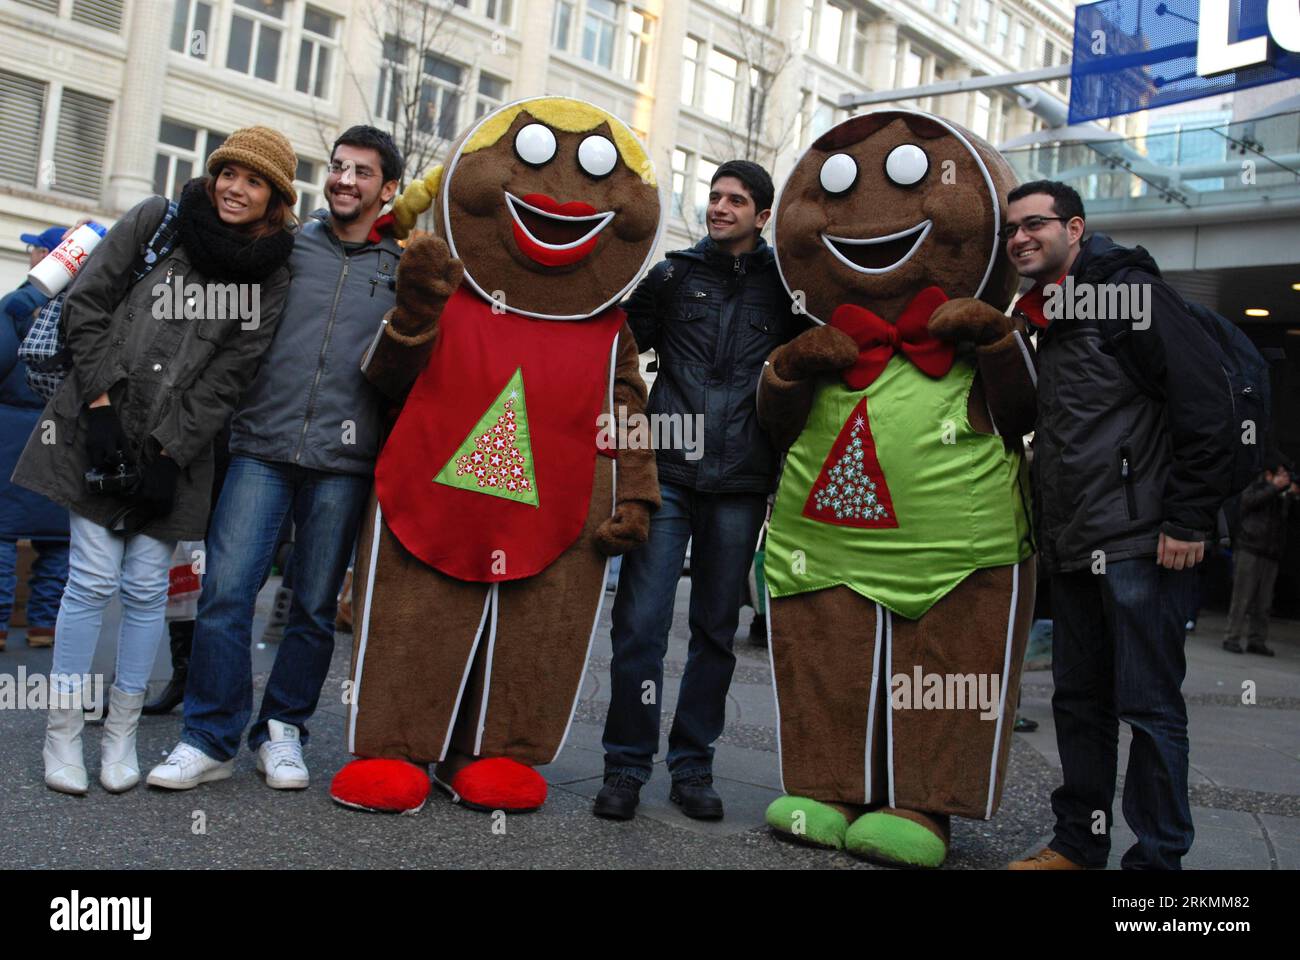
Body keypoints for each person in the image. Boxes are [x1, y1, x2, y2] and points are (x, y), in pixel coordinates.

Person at [12, 126, 297, 795]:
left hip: (179, 452)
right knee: (88, 581)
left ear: (274, 197)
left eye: (254, 181)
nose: (235, 188)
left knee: (145, 591)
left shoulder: (271, 273)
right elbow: (86, 305)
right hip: (97, 426)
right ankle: (61, 737)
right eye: (229, 172)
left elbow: (234, 371)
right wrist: (105, 408)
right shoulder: (155, 222)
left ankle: (120, 736)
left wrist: (170, 451)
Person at [149, 126, 404, 792]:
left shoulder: (403, 270)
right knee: (226, 594)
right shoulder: (286, 247)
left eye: (362, 172)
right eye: (339, 167)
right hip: (260, 444)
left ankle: (281, 731)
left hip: (344, 461)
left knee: (314, 608)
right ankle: (209, 737)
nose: (345, 180)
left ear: (390, 190)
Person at [1004, 181, 1233, 870]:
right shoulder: (1045, 314)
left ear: (1075, 227)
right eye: (1011, 229)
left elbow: (1207, 403)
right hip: (1074, 543)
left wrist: (1189, 519)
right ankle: (1079, 843)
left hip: (1141, 543)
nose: (1020, 237)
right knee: (1079, 703)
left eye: (1034, 224)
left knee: (1149, 708)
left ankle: (1159, 861)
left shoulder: (1130, 296)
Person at [595, 160, 802, 821]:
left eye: (736, 200)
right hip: (667, 476)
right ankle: (625, 767)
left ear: (762, 215)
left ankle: (693, 768)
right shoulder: (674, 275)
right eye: (715, 197)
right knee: (640, 627)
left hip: (742, 482)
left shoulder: (786, 290)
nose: (719, 207)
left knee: (716, 631)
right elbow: (617, 349)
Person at [0, 226, 73, 651]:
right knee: (57, 537)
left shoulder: (18, 304)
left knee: (4, 533)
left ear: (46, 255)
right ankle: (44, 625)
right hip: (61, 433)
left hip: (10, 433)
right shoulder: (88, 300)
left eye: (33, 248)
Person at [1223, 459, 1297, 656]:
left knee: (1264, 603)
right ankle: (1232, 636)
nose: (1286, 478)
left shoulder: (1283, 494)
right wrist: (1274, 488)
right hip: (1250, 547)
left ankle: (1257, 640)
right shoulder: (1256, 485)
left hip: (1271, 552)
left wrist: (1291, 496)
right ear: (1270, 474)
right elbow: (1247, 502)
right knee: (1242, 597)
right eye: (1282, 473)